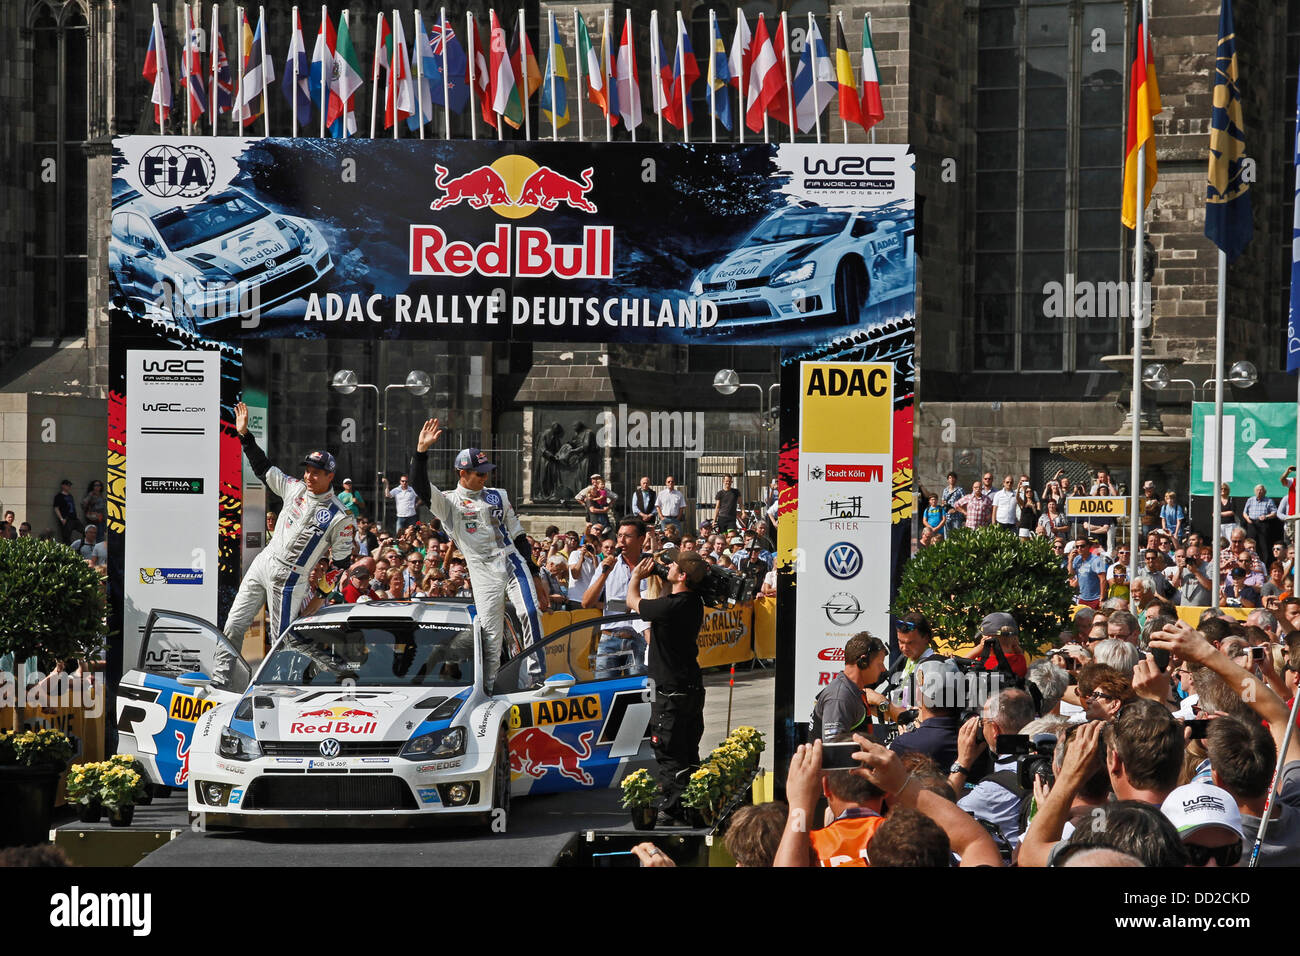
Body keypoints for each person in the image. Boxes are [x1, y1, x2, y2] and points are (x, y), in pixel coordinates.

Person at [407, 419, 544, 690]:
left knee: (530, 611)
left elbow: (518, 536)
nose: (484, 478)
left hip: (510, 559)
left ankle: (537, 678)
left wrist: (536, 573)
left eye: (486, 472)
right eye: (479, 473)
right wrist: (421, 453)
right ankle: (490, 687)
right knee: (491, 634)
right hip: (481, 569)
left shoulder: (498, 496)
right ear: (462, 473)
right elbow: (419, 486)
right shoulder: (448, 503)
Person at [223, 402, 355, 645]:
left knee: (281, 642)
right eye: (307, 470)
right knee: (233, 625)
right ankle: (222, 679)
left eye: (316, 472)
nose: (309, 476)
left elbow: (341, 562)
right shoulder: (295, 488)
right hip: (265, 561)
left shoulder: (341, 515)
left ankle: (285, 684)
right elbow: (264, 469)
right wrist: (244, 435)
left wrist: (319, 597)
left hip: (290, 579)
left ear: (330, 476)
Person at [625, 550, 707, 824]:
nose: (667, 567)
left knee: (670, 753)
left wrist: (636, 577)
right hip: (690, 688)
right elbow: (665, 600)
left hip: (670, 693)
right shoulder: (693, 601)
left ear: (682, 575)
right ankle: (693, 805)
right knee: (688, 749)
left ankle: (674, 809)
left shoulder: (670, 607)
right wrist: (662, 577)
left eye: (673, 565)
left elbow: (632, 601)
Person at [583, 516, 653, 679]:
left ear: (641, 539)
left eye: (627, 536)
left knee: (637, 693)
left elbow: (653, 603)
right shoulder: (606, 565)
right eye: (619, 536)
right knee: (603, 690)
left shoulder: (650, 567)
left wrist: (615, 605)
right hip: (609, 640)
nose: (621, 541)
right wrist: (605, 573)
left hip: (639, 640)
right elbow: (587, 602)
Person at [809, 632, 889, 741]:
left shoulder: (853, 691)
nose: (883, 669)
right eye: (880, 664)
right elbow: (833, 749)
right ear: (863, 662)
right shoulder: (840, 698)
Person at [52, 479, 79, 544]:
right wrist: (61, 519)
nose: (69, 487)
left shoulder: (70, 496)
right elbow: (56, 508)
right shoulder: (59, 496)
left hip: (73, 518)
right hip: (65, 518)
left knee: (83, 530)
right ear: (63, 486)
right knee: (66, 537)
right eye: (67, 485)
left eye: (69, 485)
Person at [940, 472, 965, 537]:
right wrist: (944, 505)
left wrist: (955, 509)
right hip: (947, 516)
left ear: (956, 479)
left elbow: (964, 502)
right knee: (947, 536)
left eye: (953, 478)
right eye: (950, 478)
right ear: (948, 480)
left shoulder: (960, 490)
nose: (951, 479)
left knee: (957, 535)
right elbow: (943, 501)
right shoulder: (945, 490)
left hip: (957, 516)